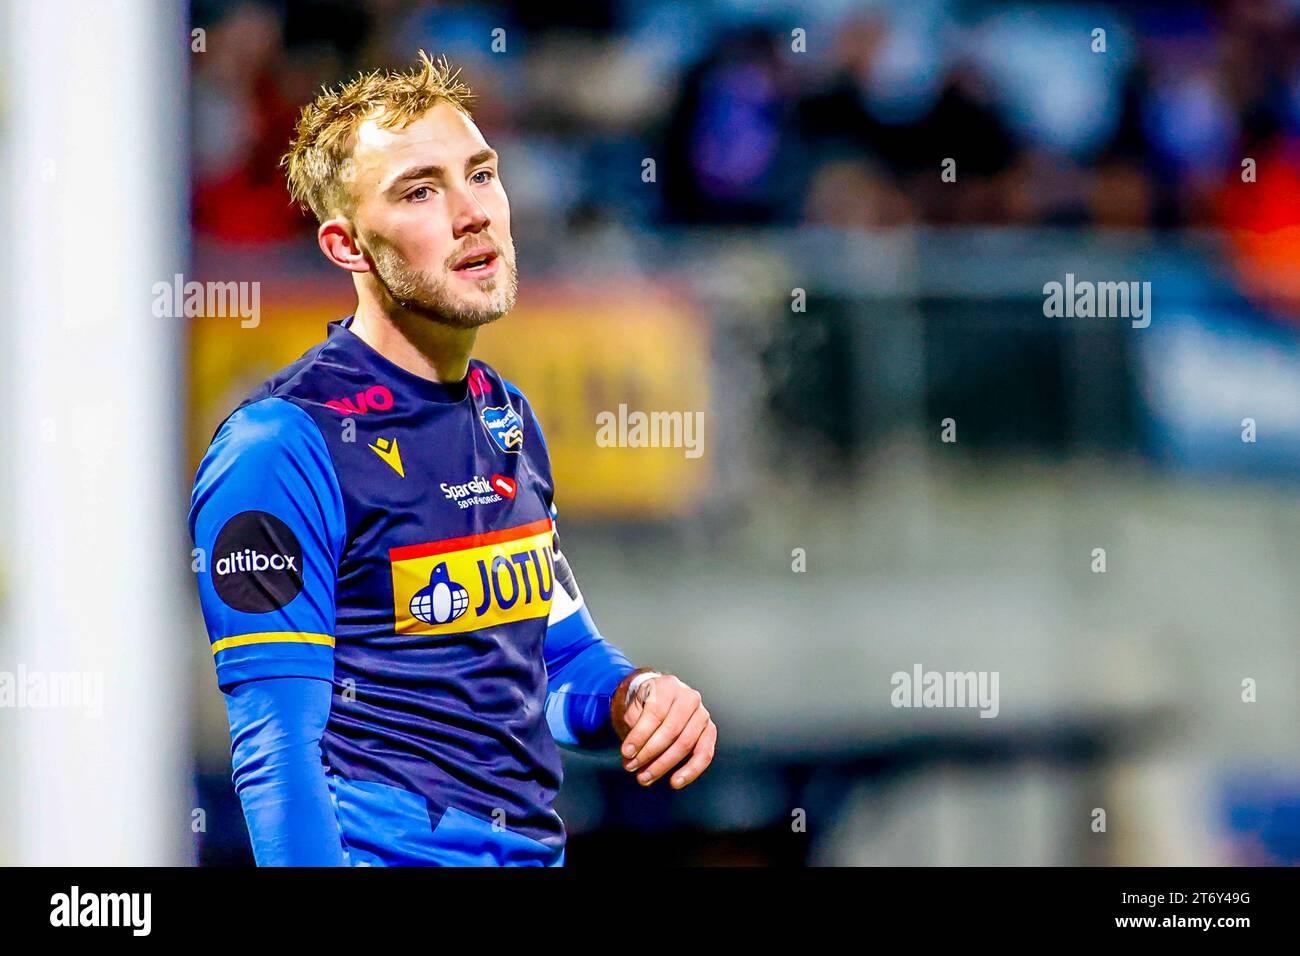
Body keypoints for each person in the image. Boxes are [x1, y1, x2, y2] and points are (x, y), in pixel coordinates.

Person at [189, 51, 716, 866]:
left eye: (481, 173)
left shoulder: (505, 416)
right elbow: (277, 756)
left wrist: (632, 697)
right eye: (420, 191)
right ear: (347, 246)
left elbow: (551, 659)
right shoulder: (281, 448)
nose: (473, 213)